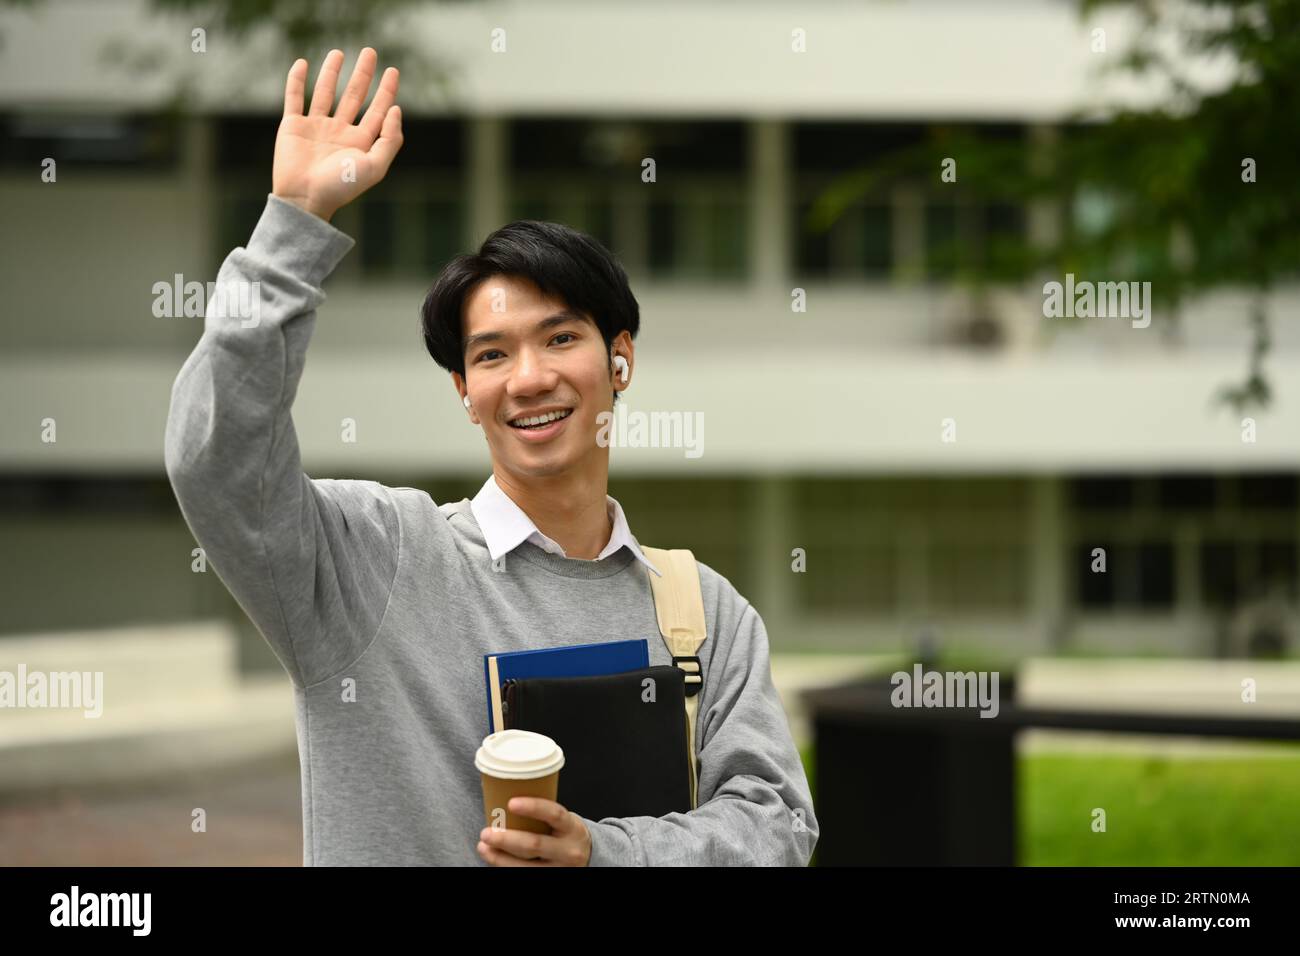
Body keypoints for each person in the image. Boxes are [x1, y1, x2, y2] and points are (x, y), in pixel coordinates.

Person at [164, 47, 819, 866]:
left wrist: (601, 853)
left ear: (620, 360)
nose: (531, 378)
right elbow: (215, 459)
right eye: (492, 355)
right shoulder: (373, 557)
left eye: (561, 337)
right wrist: (291, 223)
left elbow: (778, 828)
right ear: (464, 391)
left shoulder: (705, 613)